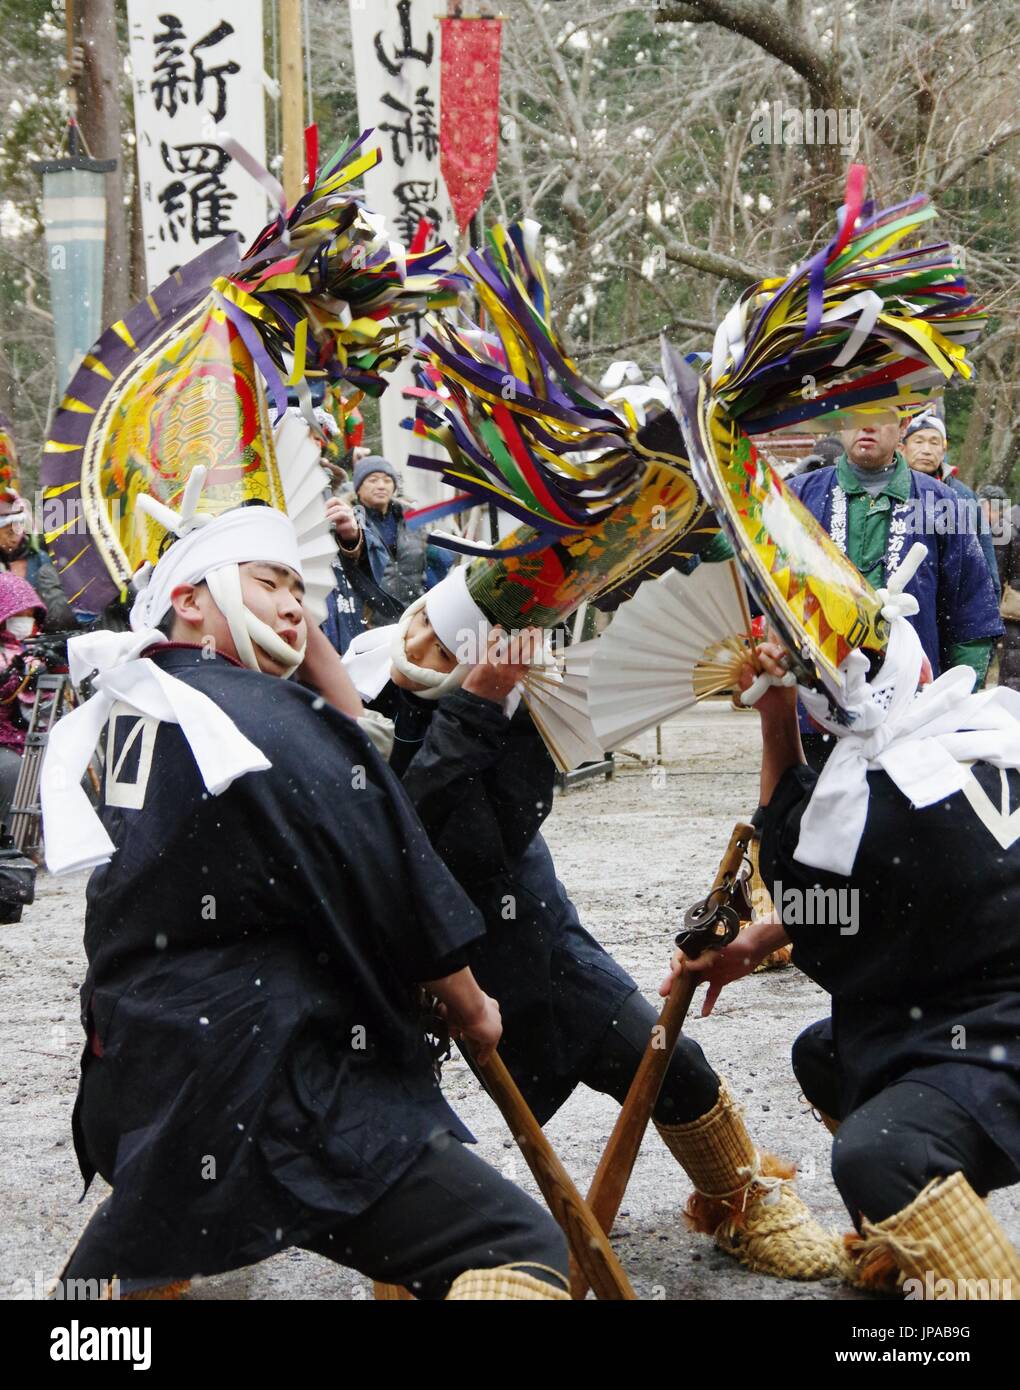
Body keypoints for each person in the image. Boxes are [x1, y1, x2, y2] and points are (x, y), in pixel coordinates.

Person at [41, 502, 569, 1302]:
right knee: (514, 1249)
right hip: (278, 1073)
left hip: (147, 1063)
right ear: (190, 597)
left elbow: (331, 788)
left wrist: (307, 663)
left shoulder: (135, 709)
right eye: (269, 583)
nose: (295, 604)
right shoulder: (262, 717)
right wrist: (467, 999)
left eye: (300, 588)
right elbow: (387, 864)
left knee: (123, 1276)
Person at [342, 567, 843, 1282]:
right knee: (405, 1145)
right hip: (415, 963)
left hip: (533, 932)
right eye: (418, 627)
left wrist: (494, 706)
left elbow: (504, 831)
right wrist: (475, 704)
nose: (419, 642)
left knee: (666, 1059)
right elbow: (406, 849)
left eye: (447, 646)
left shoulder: (526, 697)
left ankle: (741, 1198)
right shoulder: (357, 697)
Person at [669, 623, 1020, 1298]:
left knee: (877, 1151)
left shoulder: (877, 804)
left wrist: (775, 720)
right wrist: (756, 942)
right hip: (964, 999)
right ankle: (903, 1249)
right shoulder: (989, 730)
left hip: (993, 1030)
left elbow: (802, 879)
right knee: (826, 1053)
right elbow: (903, 886)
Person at [788, 410, 1002, 766]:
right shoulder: (798, 498)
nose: (866, 425)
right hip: (814, 708)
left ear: (903, 428)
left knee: (902, 818)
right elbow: (760, 595)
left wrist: (949, 705)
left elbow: (971, 618)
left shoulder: (946, 503)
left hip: (913, 714)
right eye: (854, 415)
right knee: (812, 816)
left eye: (880, 415)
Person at [323, 455, 454, 654]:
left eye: (387, 480)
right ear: (358, 487)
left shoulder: (413, 520)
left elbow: (429, 565)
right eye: (373, 480)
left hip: (412, 619)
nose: (381, 485)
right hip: (370, 625)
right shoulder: (348, 525)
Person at [902, 411, 999, 594]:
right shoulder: (889, 489)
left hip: (947, 596)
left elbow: (983, 558)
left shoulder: (962, 495)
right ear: (902, 447)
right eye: (918, 441)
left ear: (943, 450)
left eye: (934, 442)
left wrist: (991, 598)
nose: (926, 450)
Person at [0, 571, 47, 831]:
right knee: (13, 772)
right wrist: (12, 677)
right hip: (4, 740)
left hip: (29, 736)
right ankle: (14, 842)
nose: (26, 621)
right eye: (19, 615)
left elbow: (47, 705)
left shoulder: (32, 649)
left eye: (31, 614)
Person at [0, 490, 75, 633]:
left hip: (39, 637)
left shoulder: (40, 559)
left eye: (18, 530)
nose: (15, 538)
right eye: (9, 532)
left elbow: (56, 605)